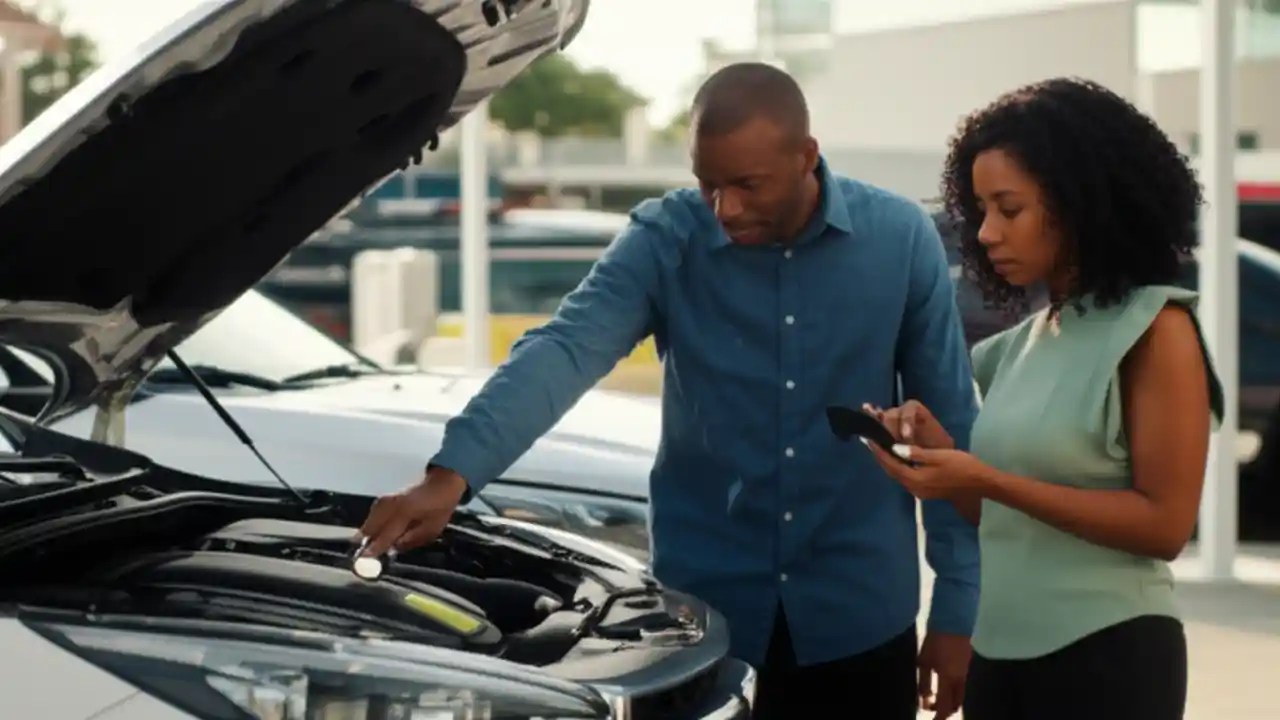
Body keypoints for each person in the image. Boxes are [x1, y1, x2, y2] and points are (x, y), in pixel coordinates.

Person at [357, 62, 981, 719]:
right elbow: (565, 350)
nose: (725, 209)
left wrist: (957, 609)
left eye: (747, 185)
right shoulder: (663, 238)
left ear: (807, 158)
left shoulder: (900, 240)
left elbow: (948, 428)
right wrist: (451, 475)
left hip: (859, 621)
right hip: (702, 624)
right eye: (707, 184)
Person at [862, 77, 1223, 720]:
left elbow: (1165, 527)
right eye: (979, 211)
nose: (986, 233)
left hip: (1107, 659)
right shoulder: (1014, 346)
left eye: (1010, 208)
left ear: (1079, 203)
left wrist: (989, 480)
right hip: (1001, 656)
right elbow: (1003, 517)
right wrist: (941, 462)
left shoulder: (1156, 329)